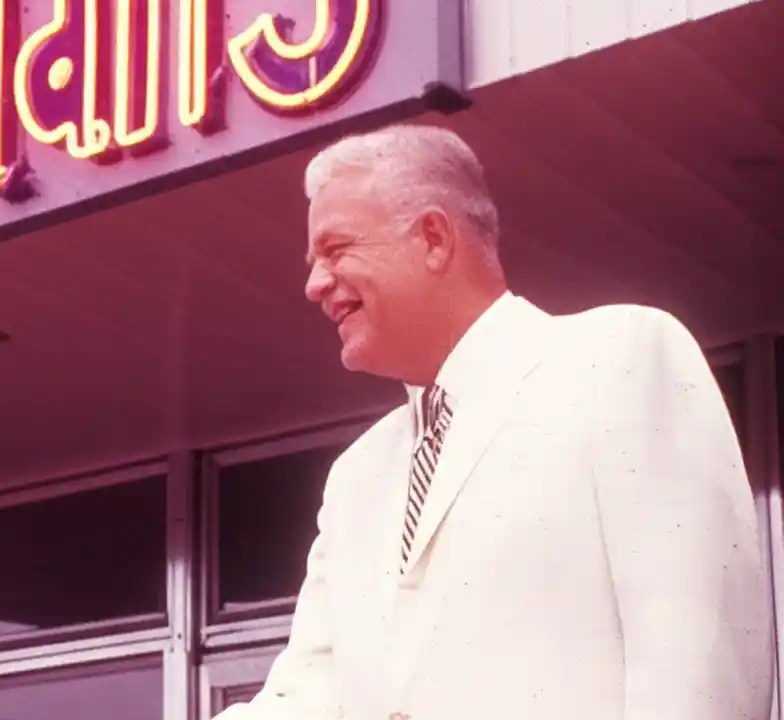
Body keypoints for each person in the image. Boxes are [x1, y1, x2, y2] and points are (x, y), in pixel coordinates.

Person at [217, 125, 774, 720]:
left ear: (433, 237)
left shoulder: (620, 359)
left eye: (336, 249)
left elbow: (697, 675)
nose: (314, 283)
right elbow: (308, 697)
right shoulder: (356, 477)